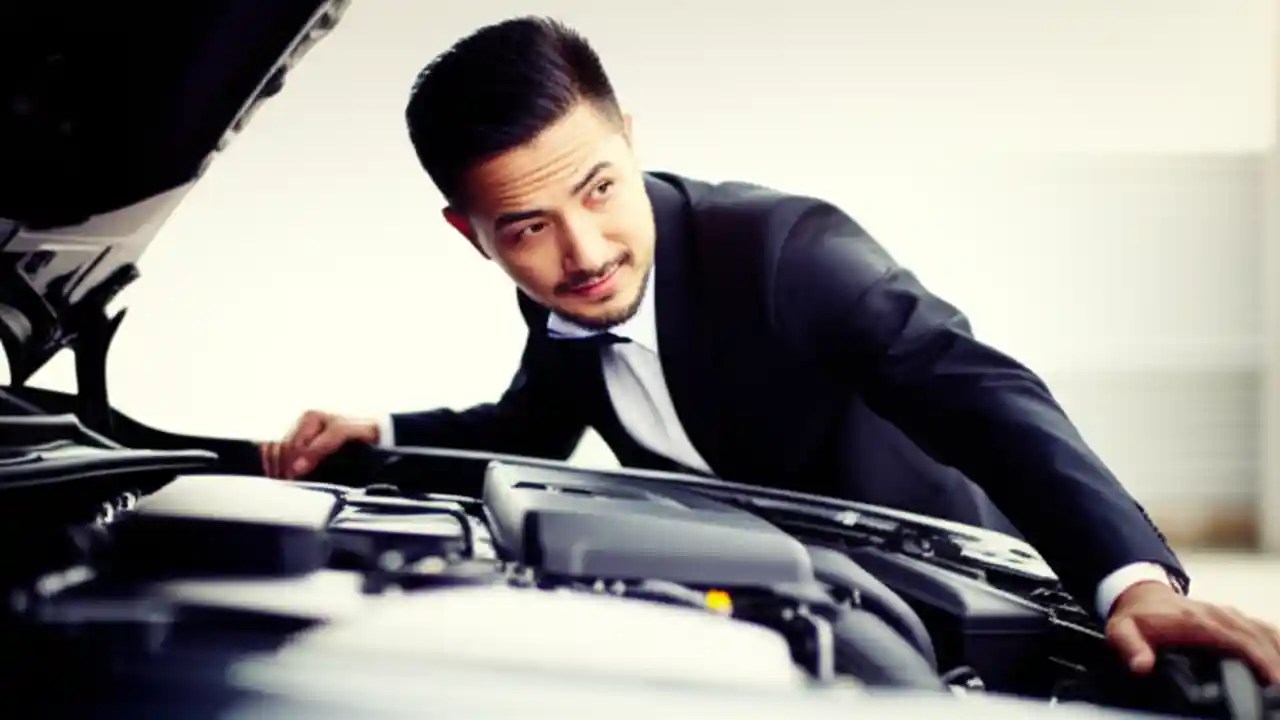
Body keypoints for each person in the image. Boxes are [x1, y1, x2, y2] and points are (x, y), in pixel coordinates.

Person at [260, 16, 1280, 683]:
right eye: (524, 226)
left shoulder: (786, 250)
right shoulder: (562, 299)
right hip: (784, 629)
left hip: (959, 609)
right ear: (468, 233)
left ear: (631, 139)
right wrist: (381, 430)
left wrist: (1131, 580)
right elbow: (529, 426)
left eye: (599, 188)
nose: (582, 253)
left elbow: (975, 390)